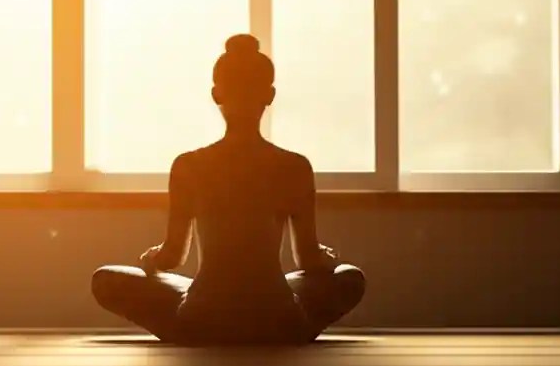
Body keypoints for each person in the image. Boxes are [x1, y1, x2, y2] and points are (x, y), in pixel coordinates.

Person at [91, 34, 366, 345]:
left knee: (106, 279)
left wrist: (152, 258)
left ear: (216, 94)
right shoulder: (294, 167)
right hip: (279, 319)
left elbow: (172, 257)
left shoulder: (188, 165)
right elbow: (307, 260)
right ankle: (275, 329)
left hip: (200, 319)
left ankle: (203, 327)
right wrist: (327, 258)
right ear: (270, 95)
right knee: (350, 278)